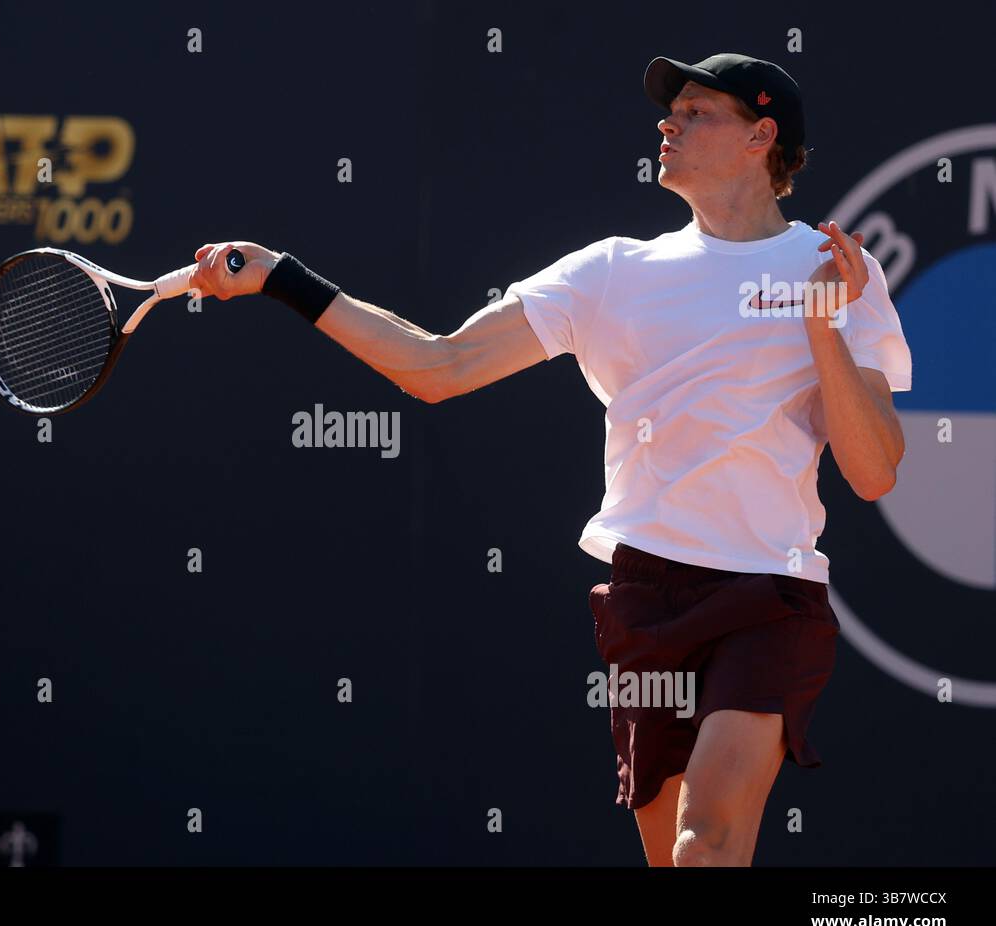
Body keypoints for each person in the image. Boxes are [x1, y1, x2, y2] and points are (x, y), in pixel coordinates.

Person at [185, 52, 911, 866]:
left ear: (761, 135)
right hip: (646, 600)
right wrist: (286, 280)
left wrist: (822, 331)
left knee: (705, 848)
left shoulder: (837, 271)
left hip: (769, 601)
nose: (668, 122)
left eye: (698, 109)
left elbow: (874, 468)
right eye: (670, 110)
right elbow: (439, 366)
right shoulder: (609, 272)